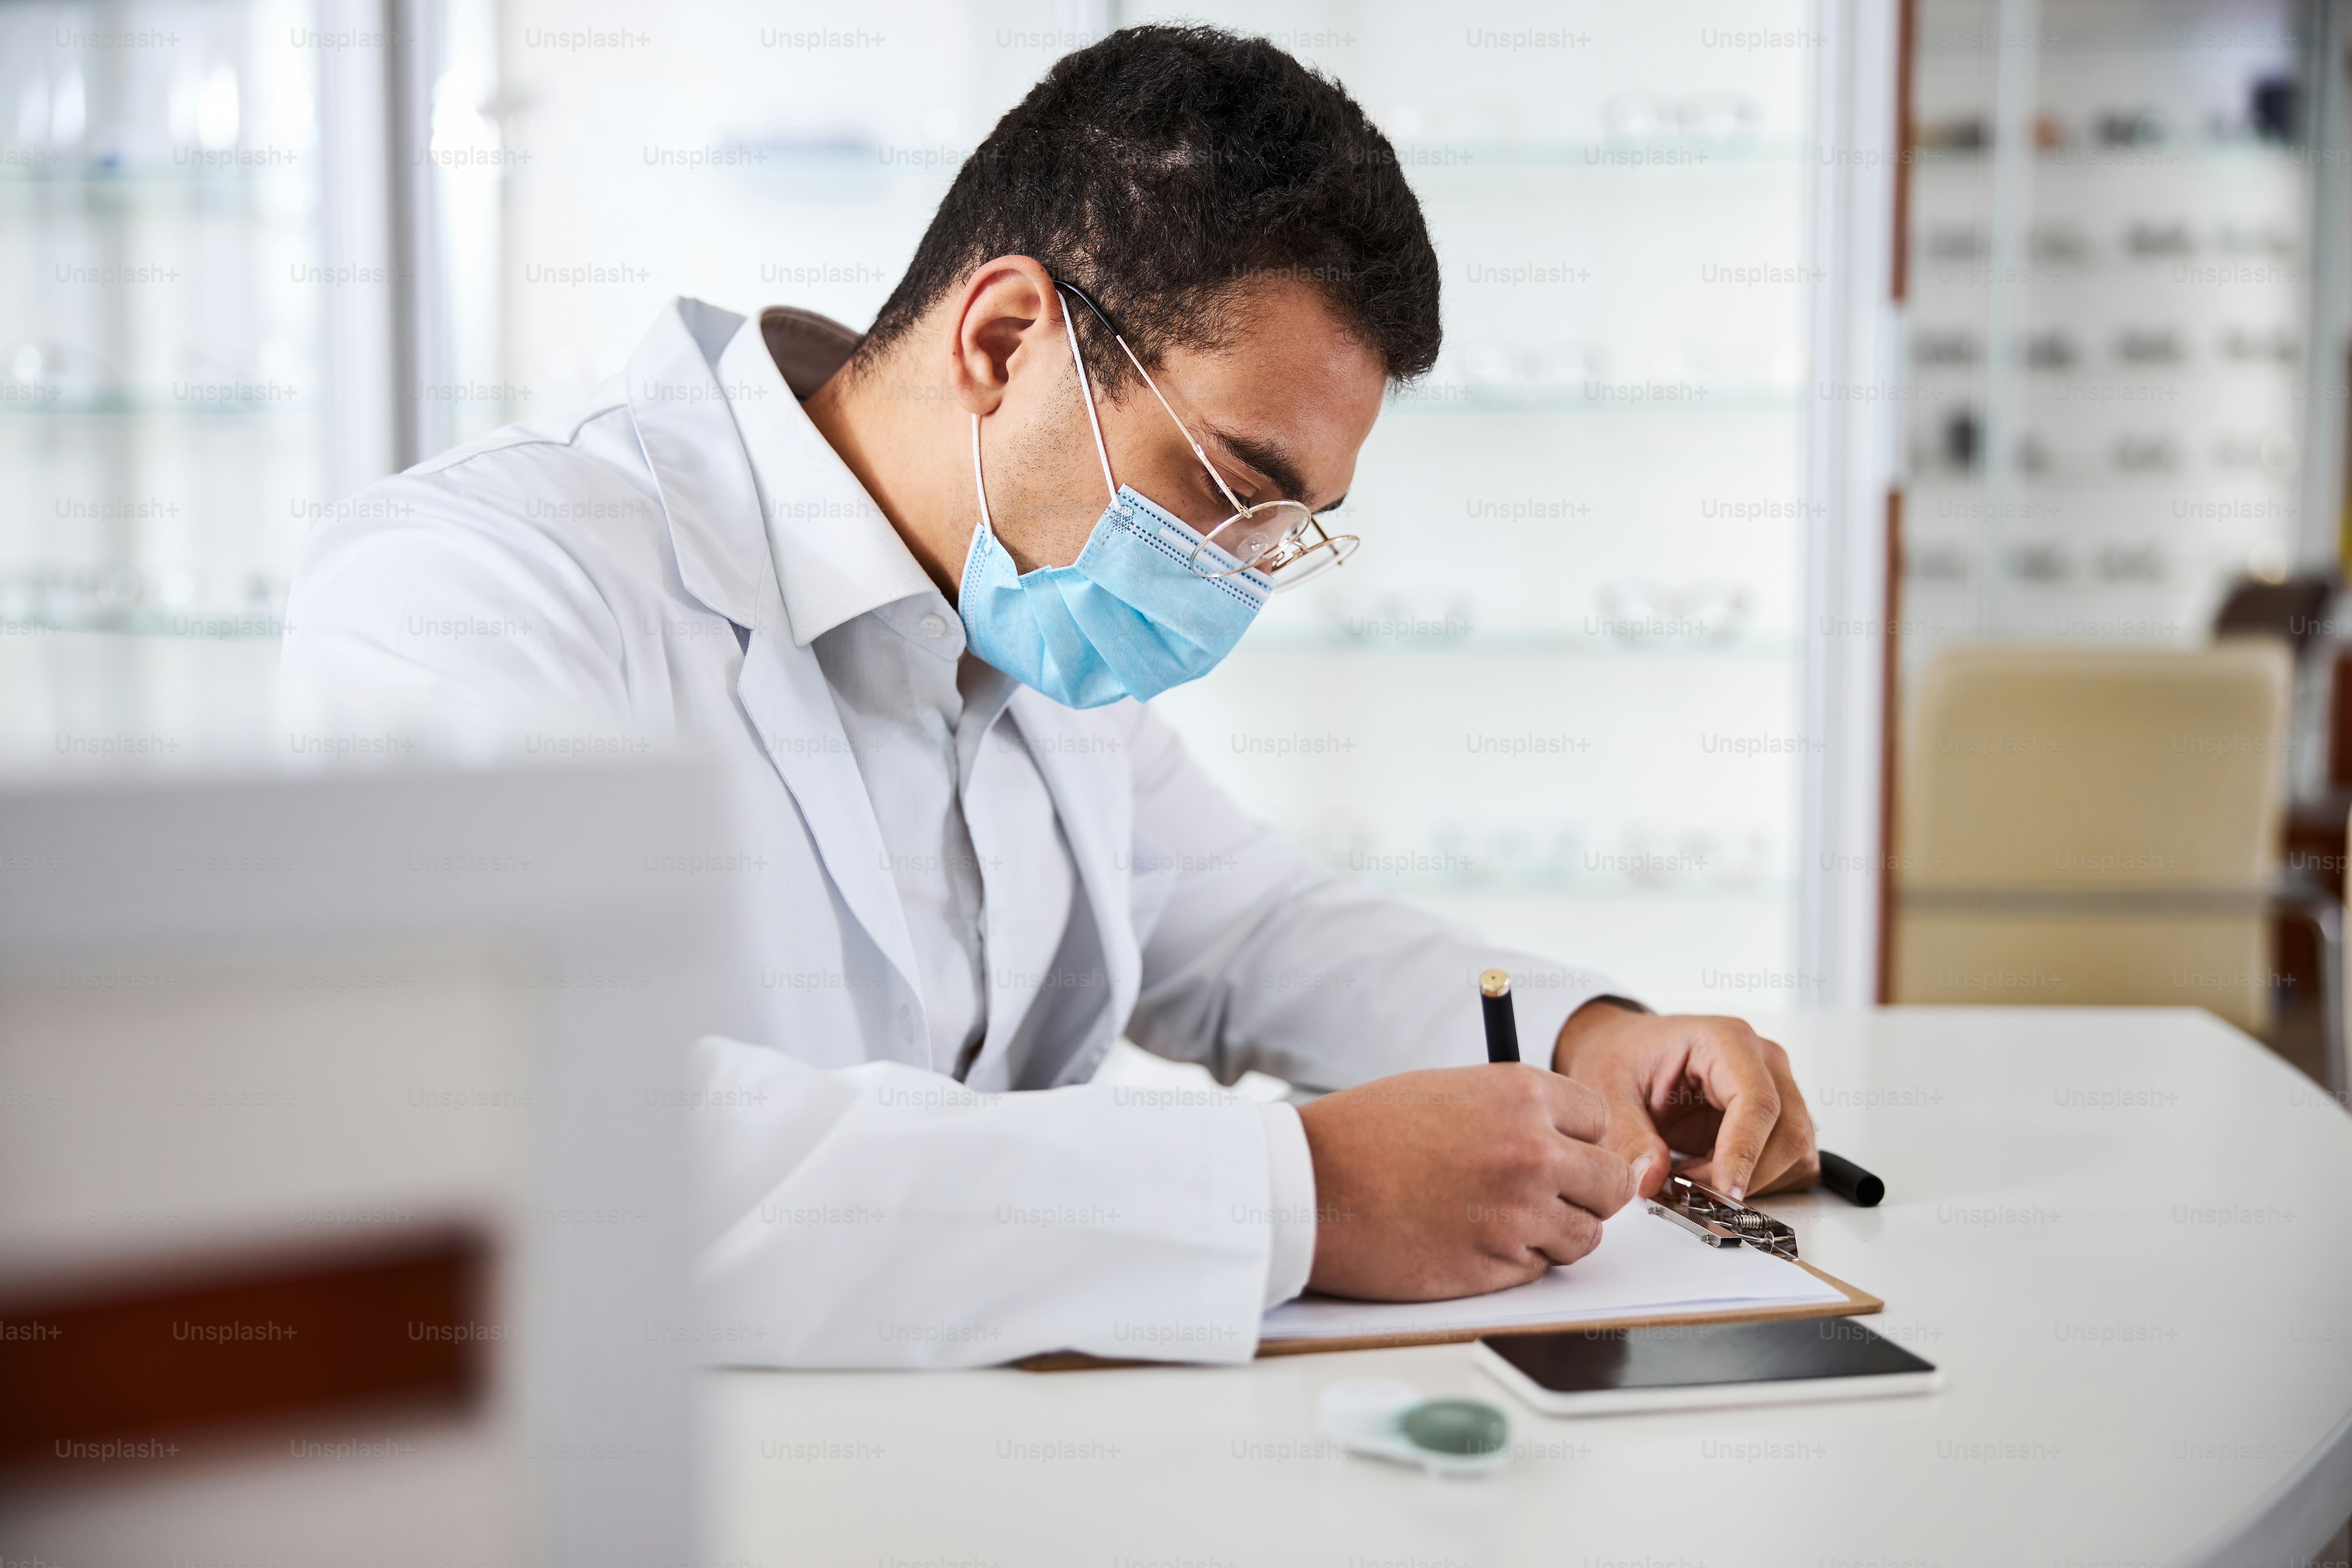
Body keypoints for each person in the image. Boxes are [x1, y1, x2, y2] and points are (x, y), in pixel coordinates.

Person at [283, 25, 1817, 1367]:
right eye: (1228, 488)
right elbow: (527, 1152)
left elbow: (1250, 929)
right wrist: (1298, 1195)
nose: (1237, 577)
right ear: (1005, 341)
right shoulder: (484, 584)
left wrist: (1588, 1035)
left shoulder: (1019, 612)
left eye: (1289, 533)